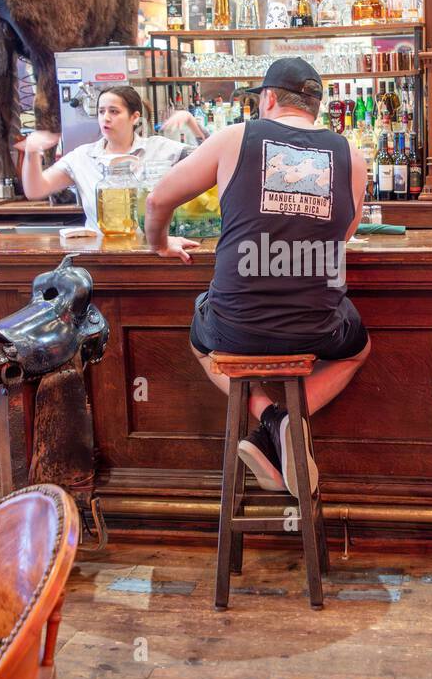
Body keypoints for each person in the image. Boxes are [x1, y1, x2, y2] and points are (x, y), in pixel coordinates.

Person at [144, 58, 370, 497]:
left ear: (267, 98)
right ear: (316, 108)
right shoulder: (351, 156)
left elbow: (157, 201)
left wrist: (160, 245)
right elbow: (339, 237)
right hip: (317, 327)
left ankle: (271, 417)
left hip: (232, 326)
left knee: (201, 343)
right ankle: (289, 423)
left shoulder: (235, 138)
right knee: (356, 352)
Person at [18, 85, 206, 230]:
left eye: (114, 111)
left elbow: (209, 158)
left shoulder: (159, 148)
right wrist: (32, 153)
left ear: (134, 117)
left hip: (154, 248)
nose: (105, 118)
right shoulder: (82, 156)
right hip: (100, 254)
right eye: (101, 111)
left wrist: (190, 121)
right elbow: (35, 190)